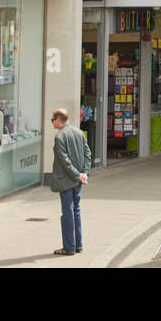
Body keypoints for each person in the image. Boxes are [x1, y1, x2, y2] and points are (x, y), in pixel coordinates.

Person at [48, 107, 91, 256]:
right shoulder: (79, 132)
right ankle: (78, 244)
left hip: (67, 180)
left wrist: (78, 175)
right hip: (77, 180)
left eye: (52, 119)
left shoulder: (60, 137)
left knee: (67, 213)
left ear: (58, 119)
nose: (52, 122)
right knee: (76, 211)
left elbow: (64, 160)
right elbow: (87, 153)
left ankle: (69, 247)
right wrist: (84, 172)